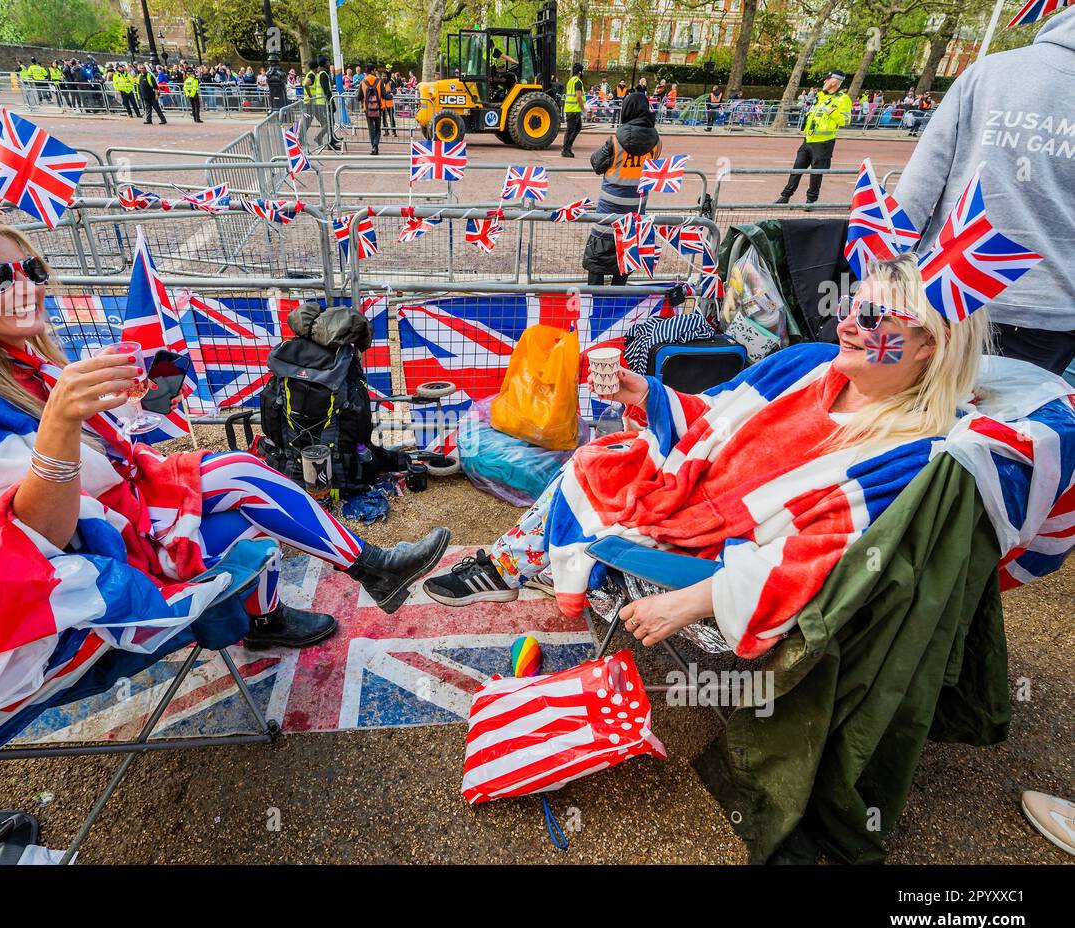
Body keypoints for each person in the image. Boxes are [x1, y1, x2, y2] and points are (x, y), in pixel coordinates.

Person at [0, 213, 450, 650]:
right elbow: (36, 543)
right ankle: (331, 588)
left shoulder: (10, 362)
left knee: (246, 474)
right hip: (76, 575)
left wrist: (116, 413)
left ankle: (348, 579)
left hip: (108, 510)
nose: (26, 286)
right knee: (250, 515)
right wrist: (61, 421)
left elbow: (94, 453)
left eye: (32, 269)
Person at [424, 255, 988, 658]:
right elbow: (714, 413)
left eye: (873, 319)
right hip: (690, 495)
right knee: (608, 456)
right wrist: (642, 392)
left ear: (928, 345)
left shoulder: (912, 452)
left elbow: (818, 559)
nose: (845, 323)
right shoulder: (811, 362)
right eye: (851, 304)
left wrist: (699, 599)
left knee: (609, 491)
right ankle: (505, 567)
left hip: (728, 560)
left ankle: (525, 565)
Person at [894, 10, 1075, 375]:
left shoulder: (988, 72)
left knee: (922, 419)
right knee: (1010, 428)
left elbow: (917, 188)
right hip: (1052, 304)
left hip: (950, 287)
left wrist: (886, 277)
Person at [580, 91, 660, 286]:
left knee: (596, 262)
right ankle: (615, 309)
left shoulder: (615, 140)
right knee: (624, 264)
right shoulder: (656, 143)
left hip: (608, 214)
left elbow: (596, 164)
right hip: (633, 217)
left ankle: (594, 306)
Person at [775, 69, 851, 207]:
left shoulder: (843, 99)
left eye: (827, 79)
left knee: (816, 173)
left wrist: (832, 112)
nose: (824, 82)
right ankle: (785, 196)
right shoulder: (821, 96)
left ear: (833, 81)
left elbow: (845, 121)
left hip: (823, 143)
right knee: (797, 169)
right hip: (808, 140)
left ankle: (811, 201)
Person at [357, 64, 385, 154]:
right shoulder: (379, 81)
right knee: (377, 128)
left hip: (367, 109)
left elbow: (358, 97)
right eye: (375, 71)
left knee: (371, 128)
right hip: (378, 108)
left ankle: (373, 147)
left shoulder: (363, 81)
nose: (376, 72)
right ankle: (375, 145)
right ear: (372, 71)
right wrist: (391, 96)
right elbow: (384, 95)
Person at [561, 62, 586, 158]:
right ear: (580, 72)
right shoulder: (577, 82)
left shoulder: (571, 80)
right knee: (570, 130)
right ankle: (565, 149)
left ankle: (568, 147)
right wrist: (583, 109)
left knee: (577, 128)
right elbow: (579, 97)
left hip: (572, 109)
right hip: (574, 110)